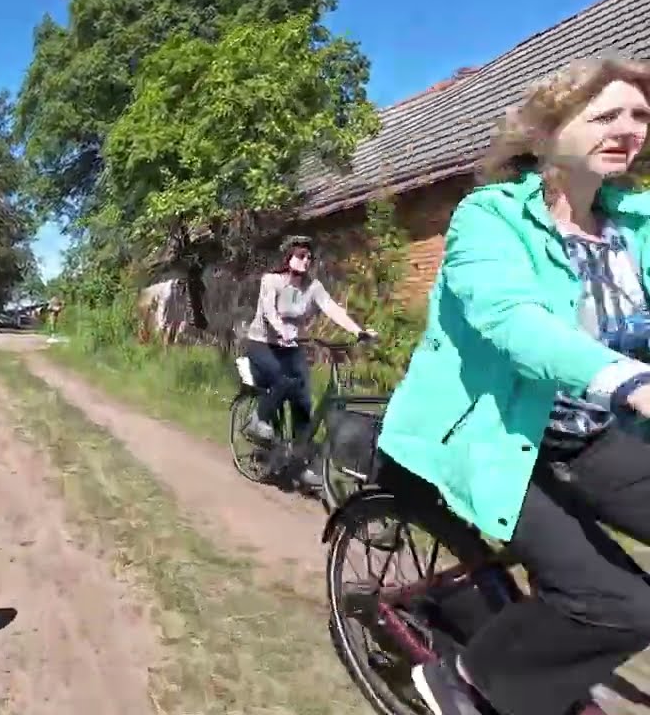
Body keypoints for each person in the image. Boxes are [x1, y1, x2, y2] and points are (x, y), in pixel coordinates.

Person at [373, 55, 650, 715]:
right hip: (495, 431)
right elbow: (510, 317)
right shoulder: (489, 217)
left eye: (640, 116)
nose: (628, 128)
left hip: (593, 431)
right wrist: (625, 378)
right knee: (625, 605)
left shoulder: (635, 225)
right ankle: (466, 676)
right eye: (605, 114)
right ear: (549, 131)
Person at [242, 235, 374, 450]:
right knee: (283, 379)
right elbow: (268, 311)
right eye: (301, 256)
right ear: (288, 258)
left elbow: (331, 307)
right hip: (262, 343)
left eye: (309, 257)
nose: (306, 261)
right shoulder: (271, 281)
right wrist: (281, 330)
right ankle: (258, 420)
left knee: (303, 397)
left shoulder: (312, 286)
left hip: (290, 346)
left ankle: (300, 454)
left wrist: (358, 331)